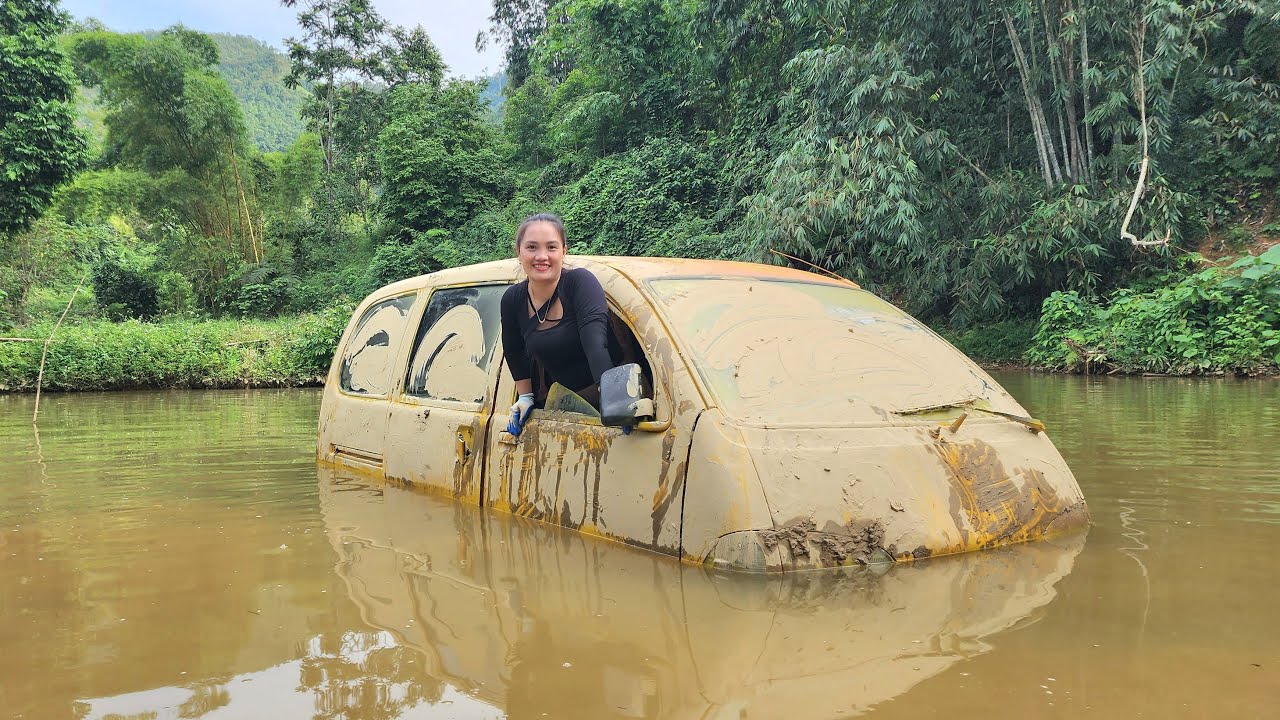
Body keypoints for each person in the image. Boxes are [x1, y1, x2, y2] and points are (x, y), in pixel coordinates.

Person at [500, 213, 614, 436]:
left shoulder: (579, 283)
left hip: (610, 395)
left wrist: (613, 395)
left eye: (551, 247)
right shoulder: (513, 299)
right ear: (519, 252)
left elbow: (595, 343)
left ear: (564, 250)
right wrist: (525, 397)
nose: (541, 256)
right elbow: (514, 351)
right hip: (562, 409)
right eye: (532, 247)